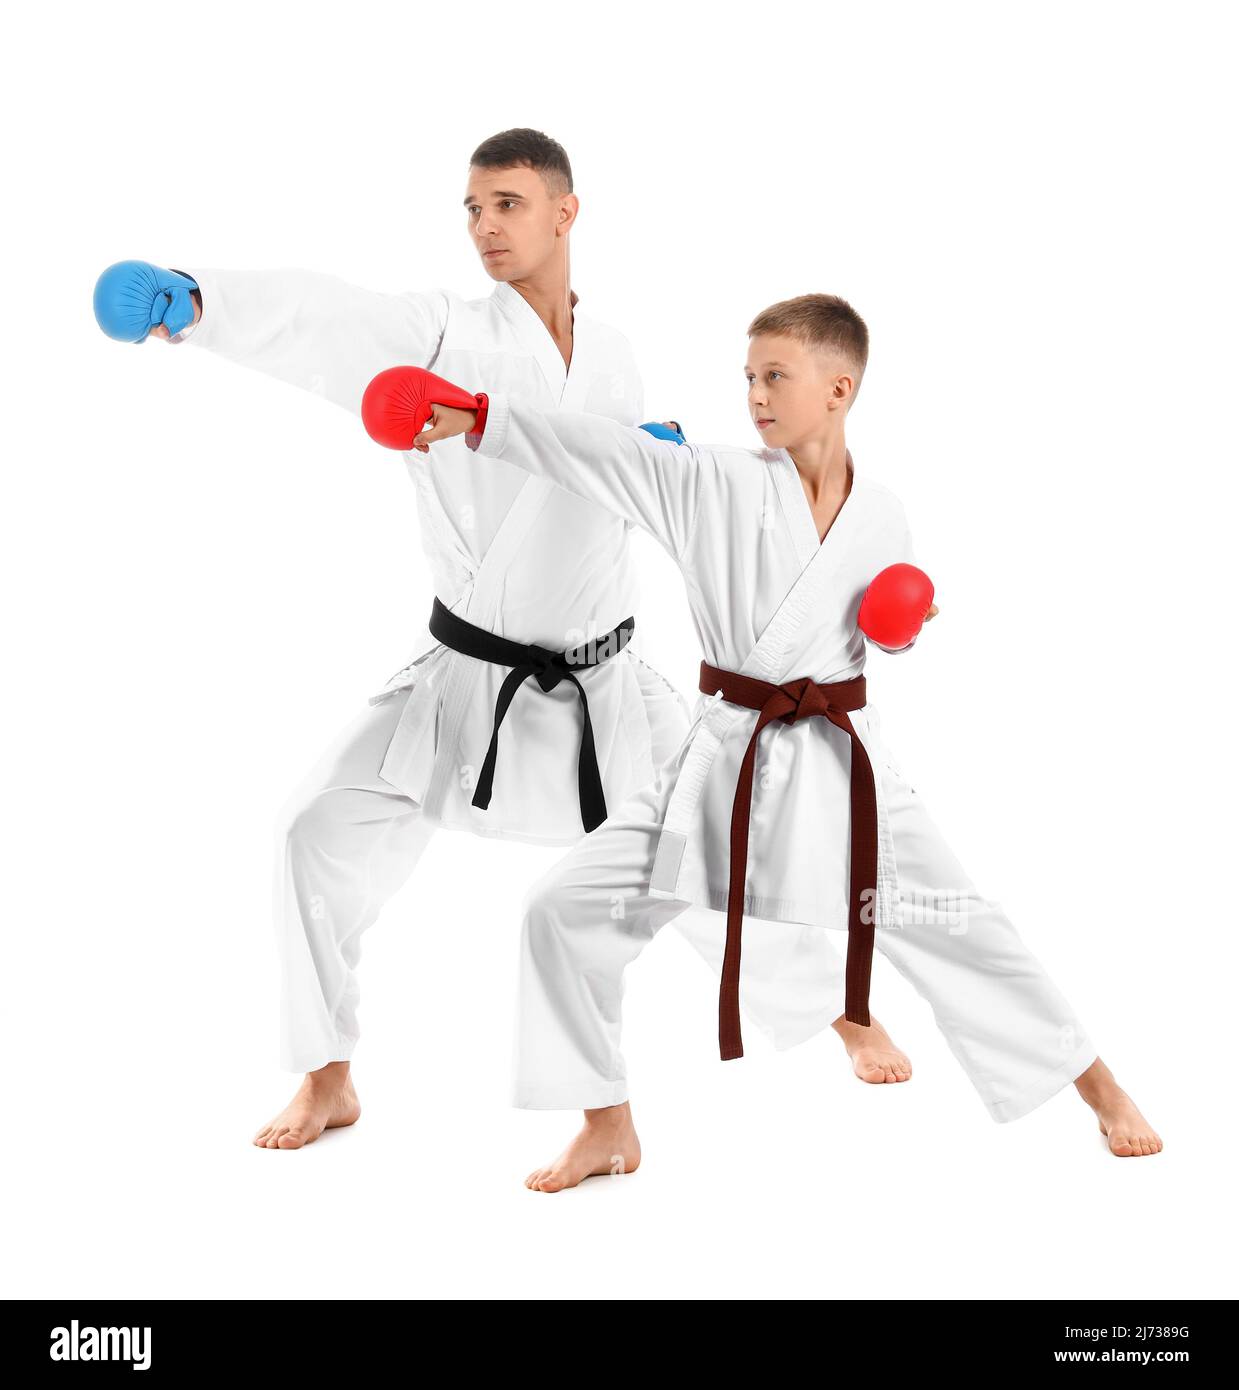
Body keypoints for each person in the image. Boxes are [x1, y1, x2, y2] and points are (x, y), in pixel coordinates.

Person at [93, 131, 896, 1151]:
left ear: (567, 212)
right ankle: (328, 1074)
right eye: (473, 208)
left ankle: (839, 1006)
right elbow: (335, 318)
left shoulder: (614, 353)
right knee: (313, 832)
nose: (485, 227)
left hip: (606, 685)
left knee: (714, 857)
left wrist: (658, 456)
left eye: (509, 204)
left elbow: (649, 485)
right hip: (467, 681)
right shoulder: (440, 335)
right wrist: (198, 300)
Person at [373, 291, 1163, 1189]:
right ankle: (607, 1126)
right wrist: (479, 419)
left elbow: (872, 635)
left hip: (839, 763)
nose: (754, 394)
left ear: (839, 387)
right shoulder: (714, 482)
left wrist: (902, 628)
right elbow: (601, 452)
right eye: (748, 377)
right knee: (560, 909)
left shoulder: (883, 514)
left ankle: (1099, 1088)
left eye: (775, 376)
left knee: (960, 924)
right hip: (722, 762)